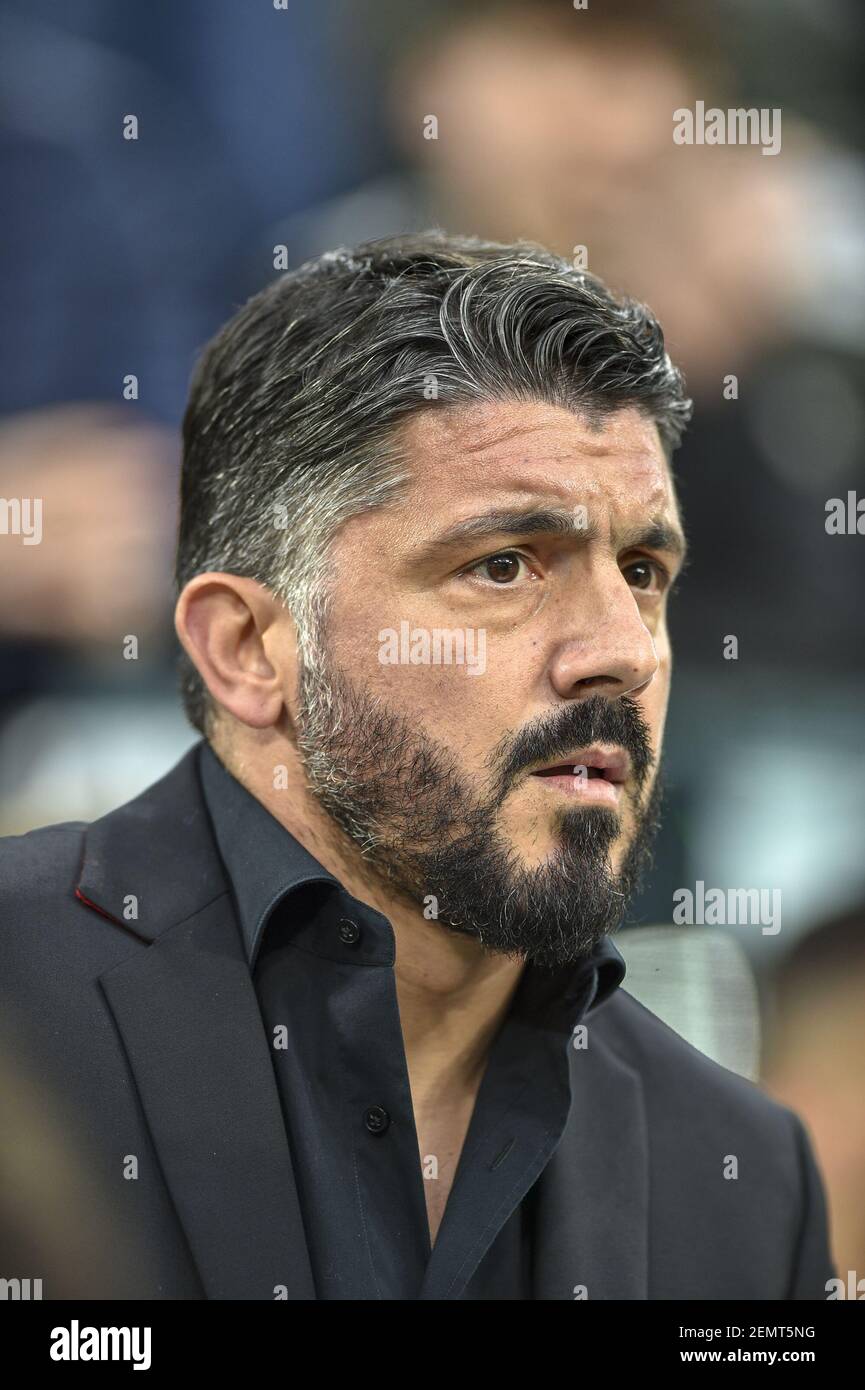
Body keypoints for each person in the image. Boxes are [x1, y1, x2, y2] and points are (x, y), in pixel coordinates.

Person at [0, 232, 835, 1299]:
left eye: (641, 569)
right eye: (502, 565)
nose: (621, 649)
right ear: (248, 650)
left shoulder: (746, 1184)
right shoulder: (17, 1002)